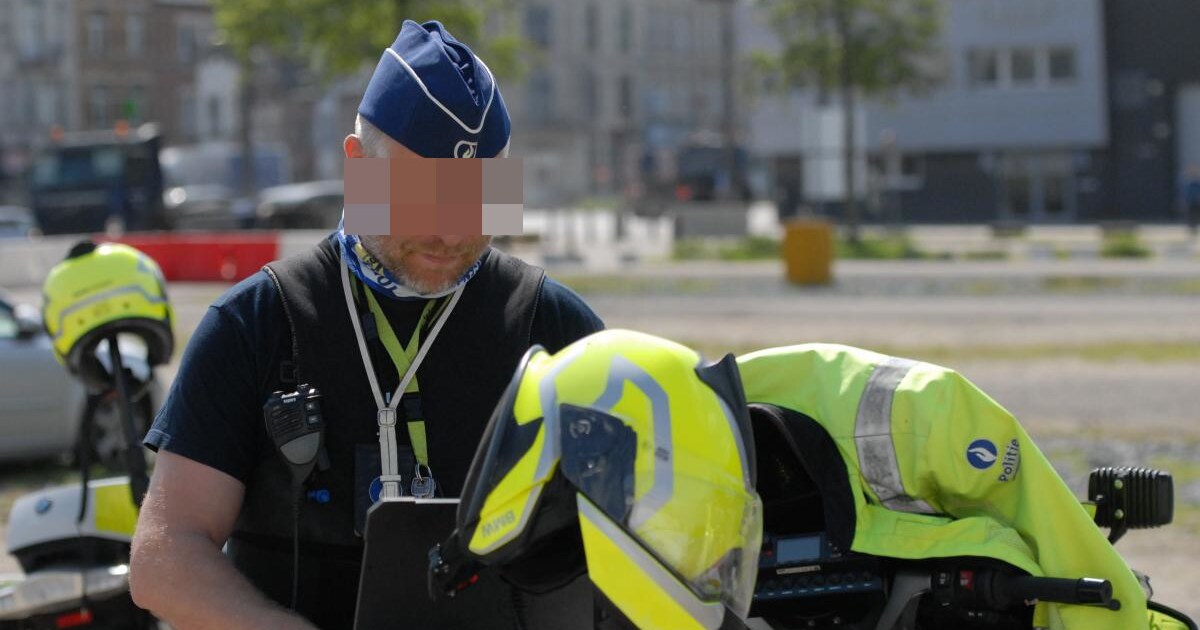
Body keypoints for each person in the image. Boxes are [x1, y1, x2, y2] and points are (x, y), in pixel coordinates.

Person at [129, 20, 604, 630]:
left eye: (480, 198)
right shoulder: (255, 324)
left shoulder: (554, 326)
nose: (453, 232)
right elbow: (164, 557)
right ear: (358, 165)